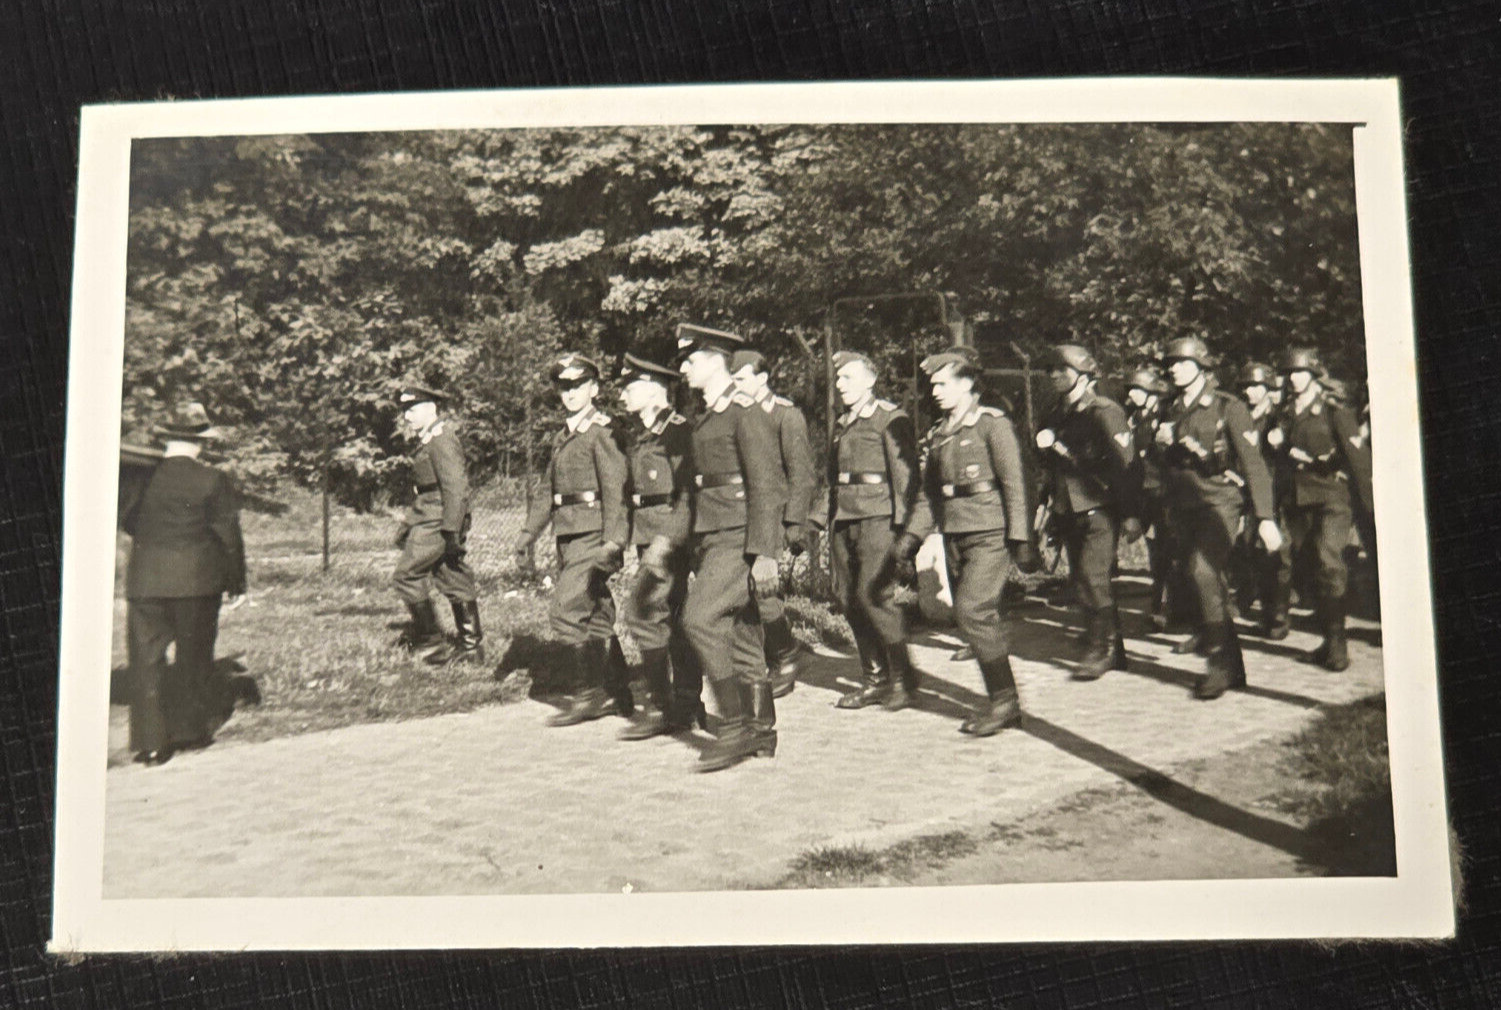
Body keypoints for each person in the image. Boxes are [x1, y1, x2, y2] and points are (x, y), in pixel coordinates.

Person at [889, 346, 1037, 736]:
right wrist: (911, 537)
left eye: (942, 383)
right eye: (932, 385)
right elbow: (929, 496)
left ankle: (1005, 703)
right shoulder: (939, 434)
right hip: (955, 534)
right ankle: (1005, 701)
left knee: (973, 610)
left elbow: (1014, 483)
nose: (934, 391)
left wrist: (1020, 536)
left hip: (990, 532)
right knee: (971, 614)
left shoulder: (992, 424)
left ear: (968, 383)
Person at [677, 324, 788, 771]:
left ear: (716, 362)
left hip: (739, 539)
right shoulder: (707, 417)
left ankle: (735, 725)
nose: (684, 368)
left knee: (699, 619)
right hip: (714, 537)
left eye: (691, 360)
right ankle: (762, 731)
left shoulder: (745, 413)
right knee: (742, 634)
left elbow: (768, 486)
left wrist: (765, 554)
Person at [122, 402, 251, 766]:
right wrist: (236, 583)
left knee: (146, 662)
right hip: (196, 582)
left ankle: (150, 745)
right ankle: (188, 732)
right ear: (200, 443)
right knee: (193, 658)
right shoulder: (211, 478)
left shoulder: (140, 478)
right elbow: (228, 534)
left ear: (167, 440)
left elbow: (129, 521)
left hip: (145, 581)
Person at [1153, 337, 1280, 700]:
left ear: (1202, 366)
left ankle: (1219, 666)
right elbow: (1165, 464)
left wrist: (1265, 517)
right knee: (1200, 583)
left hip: (1220, 504)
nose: (1173, 368)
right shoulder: (1170, 407)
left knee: (1203, 572)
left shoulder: (1228, 406)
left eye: (1181, 362)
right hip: (1184, 506)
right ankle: (1232, 665)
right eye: (1170, 363)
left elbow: (1254, 465)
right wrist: (1163, 446)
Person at [513, 354, 633, 726]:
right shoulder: (563, 436)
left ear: (594, 390)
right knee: (596, 614)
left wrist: (614, 542)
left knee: (565, 611)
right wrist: (527, 534)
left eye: (578, 386)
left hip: (593, 535)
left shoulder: (602, 433)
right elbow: (548, 491)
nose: (570, 393)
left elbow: (616, 492)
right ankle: (618, 691)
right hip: (567, 536)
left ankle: (588, 693)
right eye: (564, 387)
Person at [1264, 347, 1374, 671]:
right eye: (1290, 373)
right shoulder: (1282, 414)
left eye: (1300, 372)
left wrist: (1370, 509)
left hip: (1331, 497)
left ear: (1314, 375)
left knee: (1329, 559)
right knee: (1311, 567)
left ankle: (1339, 645)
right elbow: (1273, 462)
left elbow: (1359, 462)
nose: (1294, 378)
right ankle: (1328, 640)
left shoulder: (1333, 411)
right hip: (1297, 501)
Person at [615, 352, 703, 740]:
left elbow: (686, 493)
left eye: (630, 388)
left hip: (669, 537)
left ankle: (664, 704)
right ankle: (686, 703)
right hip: (647, 533)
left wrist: (665, 542)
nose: (622, 396)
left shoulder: (678, 430)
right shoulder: (643, 433)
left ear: (654, 392)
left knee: (641, 611)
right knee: (672, 618)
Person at [825, 349, 920, 710]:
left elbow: (906, 478)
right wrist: (823, 516)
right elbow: (834, 479)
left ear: (870, 380)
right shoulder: (842, 423)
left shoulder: (888, 418)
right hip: (844, 518)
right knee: (849, 599)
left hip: (879, 517)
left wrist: (905, 529)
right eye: (838, 380)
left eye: (848, 378)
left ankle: (903, 677)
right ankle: (875, 679)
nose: (840, 385)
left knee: (873, 594)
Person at [1035, 345, 1133, 680]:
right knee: (1082, 579)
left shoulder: (1103, 411)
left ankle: (1101, 649)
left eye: (1062, 369)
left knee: (1093, 576)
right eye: (1052, 370)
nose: (1055, 376)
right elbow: (1049, 467)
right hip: (1068, 505)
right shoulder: (1055, 412)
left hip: (1099, 506)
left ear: (1083, 372)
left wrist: (1132, 513)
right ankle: (1111, 646)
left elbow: (1125, 467)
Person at [729, 348, 817, 697]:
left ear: (762, 378)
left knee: (761, 586)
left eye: (741, 379)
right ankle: (772, 653)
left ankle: (785, 656)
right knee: (746, 587)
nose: (735, 386)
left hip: (774, 513)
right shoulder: (737, 415)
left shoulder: (785, 415)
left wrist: (795, 522)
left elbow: (802, 474)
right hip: (744, 512)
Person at [391, 381, 484, 666]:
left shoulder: (442, 438)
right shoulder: (430, 438)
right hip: (433, 514)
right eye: (405, 410)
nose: (408, 416)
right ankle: (471, 649)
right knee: (451, 576)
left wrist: (453, 528)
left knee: (406, 575)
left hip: (437, 518)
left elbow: (456, 487)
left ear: (431, 408)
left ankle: (432, 645)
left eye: (414, 409)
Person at [1234, 361, 1293, 640]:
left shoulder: (1279, 417)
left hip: (1276, 493)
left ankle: (1278, 614)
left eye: (1256, 386)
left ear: (1269, 389)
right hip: (1247, 491)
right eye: (1246, 386)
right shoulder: (1241, 416)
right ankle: (1260, 604)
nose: (1250, 392)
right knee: (1250, 549)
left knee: (1276, 552)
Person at [1121, 365, 1179, 632]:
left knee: (1168, 550)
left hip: (1165, 493)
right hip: (1143, 493)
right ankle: (1160, 604)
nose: (1132, 394)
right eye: (1131, 389)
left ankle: (1167, 607)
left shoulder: (1166, 416)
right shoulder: (1133, 418)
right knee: (1156, 552)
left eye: (1138, 389)